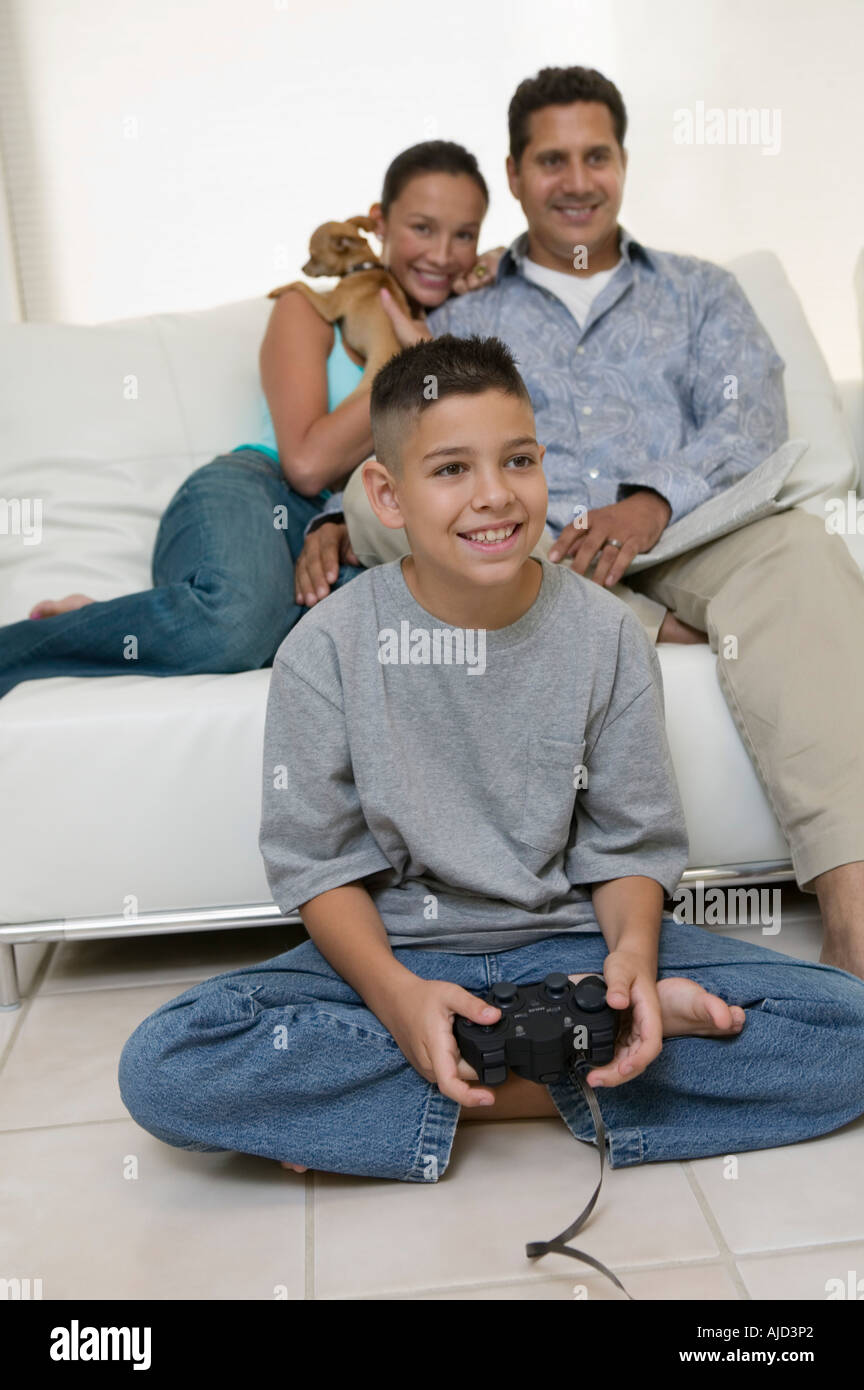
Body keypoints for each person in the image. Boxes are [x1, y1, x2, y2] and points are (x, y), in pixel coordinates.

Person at [117, 335, 864, 1183]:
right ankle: (567, 1073)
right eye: (450, 471)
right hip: (399, 955)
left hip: (576, 951)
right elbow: (320, 867)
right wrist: (398, 1005)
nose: (494, 496)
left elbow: (630, 844)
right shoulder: (325, 648)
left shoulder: (607, 633)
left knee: (850, 1030)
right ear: (385, 495)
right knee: (167, 1062)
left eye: (518, 460)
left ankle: (415, 1094)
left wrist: (633, 966)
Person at [304, 67, 864, 980]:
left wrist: (649, 503)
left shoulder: (701, 292)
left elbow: (751, 424)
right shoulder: (467, 312)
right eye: (551, 159)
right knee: (481, 572)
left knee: (804, 553)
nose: (576, 180)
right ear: (517, 175)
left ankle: (855, 919)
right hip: (539, 554)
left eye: (595, 155)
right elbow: (414, 446)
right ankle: (679, 629)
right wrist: (335, 514)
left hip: (695, 530)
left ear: (623, 164)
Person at [0, 140, 496, 698]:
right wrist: (411, 366)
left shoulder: (465, 329)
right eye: (423, 228)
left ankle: (120, 620)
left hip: (350, 526)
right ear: (378, 223)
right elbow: (307, 464)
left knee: (398, 624)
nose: (443, 254)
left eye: (465, 236)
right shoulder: (306, 308)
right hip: (257, 491)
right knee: (236, 624)